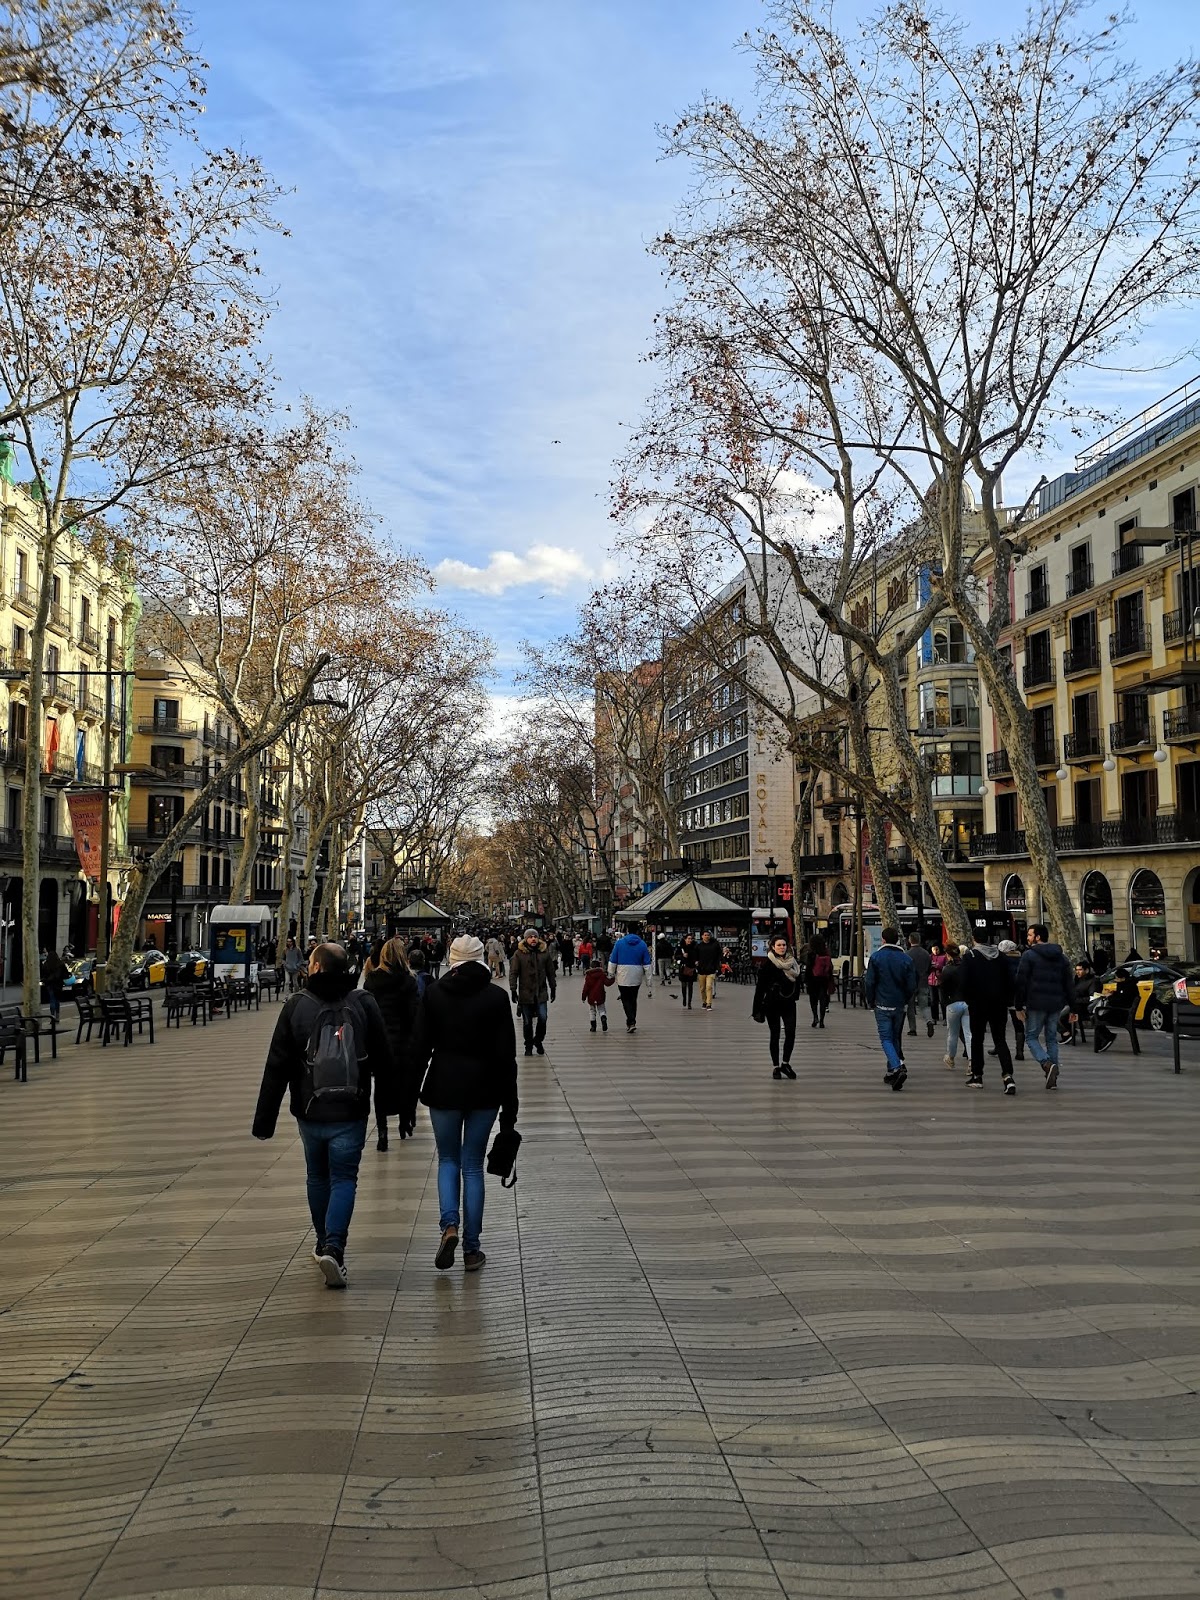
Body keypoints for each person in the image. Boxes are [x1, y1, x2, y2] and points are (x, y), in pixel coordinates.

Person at [252, 942, 395, 1289]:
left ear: (314, 967)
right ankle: (335, 1245)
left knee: (317, 1175)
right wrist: (392, 1105)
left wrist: (264, 1121)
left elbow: (277, 1065)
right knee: (344, 1177)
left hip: (310, 1110)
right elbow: (384, 1057)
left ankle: (321, 1242)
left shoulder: (297, 1006)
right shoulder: (363, 1002)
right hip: (352, 1107)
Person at [409, 933, 518, 1273]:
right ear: (481, 958)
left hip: (444, 1087)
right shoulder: (496, 998)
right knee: (472, 1166)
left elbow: (418, 1049)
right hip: (486, 1090)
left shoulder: (434, 994)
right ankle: (472, 1249)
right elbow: (507, 1058)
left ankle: (449, 1225)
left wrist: (408, 1097)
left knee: (448, 1161)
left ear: (452, 959)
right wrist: (510, 1110)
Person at [363, 936, 421, 1151]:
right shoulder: (409, 981)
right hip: (403, 1040)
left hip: (379, 1041)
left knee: (381, 1086)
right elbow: (414, 1014)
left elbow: (366, 1013)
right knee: (404, 1083)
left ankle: (382, 1132)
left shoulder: (372, 980)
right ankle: (404, 1122)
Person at [1014, 923, 1075, 1090]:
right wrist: (1073, 1007)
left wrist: (1018, 1006)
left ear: (1038, 937)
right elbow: (1069, 984)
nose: (1027, 938)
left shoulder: (1029, 955)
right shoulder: (1062, 957)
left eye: (1029, 935)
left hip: (1036, 1003)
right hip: (1056, 1003)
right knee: (1051, 1039)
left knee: (1031, 1037)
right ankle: (1052, 1077)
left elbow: (1021, 982)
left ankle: (1047, 1064)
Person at [862, 926, 917, 1090]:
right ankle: (891, 1071)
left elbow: (870, 982)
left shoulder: (876, 957)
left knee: (886, 1038)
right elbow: (912, 984)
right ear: (898, 940)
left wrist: (870, 1000)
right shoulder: (906, 959)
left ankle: (896, 1066)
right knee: (895, 1036)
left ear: (883, 940)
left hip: (882, 1003)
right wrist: (905, 999)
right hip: (899, 1004)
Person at [962, 936, 1016, 1092]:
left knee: (977, 1039)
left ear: (974, 939)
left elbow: (964, 981)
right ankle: (1008, 1077)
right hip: (998, 1004)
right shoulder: (1002, 957)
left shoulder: (970, 956)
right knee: (1000, 1040)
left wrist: (968, 999)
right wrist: (1008, 1001)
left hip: (978, 1004)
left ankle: (977, 1076)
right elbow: (1011, 981)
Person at [753, 935, 802, 1078]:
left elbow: (797, 981)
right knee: (775, 1034)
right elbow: (760, 988)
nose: (782, 947)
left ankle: (786, 1063)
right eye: (779, 945)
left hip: (788, 1003)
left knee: (791, 1032)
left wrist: (795, 995)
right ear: (773, 947)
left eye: (784, 945)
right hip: (772, 1004)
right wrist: (756, 1009)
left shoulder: (792, 963)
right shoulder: (768, 964)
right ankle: (776, 1066)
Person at [509, 927, 557, 1055]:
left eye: (535, 936)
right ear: (526, 939)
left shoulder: (544, 952)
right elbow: (513, 973)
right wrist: (513, 989)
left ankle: (538, 1040)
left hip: (541, 992)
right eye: (530, 937)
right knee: (527, 1022)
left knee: (543, 1018)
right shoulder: (519, 954)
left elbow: (550, 972)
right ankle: (528, 1045)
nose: (533, 939)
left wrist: (553, 988)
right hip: (526, 993)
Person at [608, 924, 652, 1033]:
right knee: (633, 998)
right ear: (637, 931)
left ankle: (630, 1021)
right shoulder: (642, 944)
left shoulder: (619, 943)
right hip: (636, 974)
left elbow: (613, 960)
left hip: (623, 974)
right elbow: (647, 964)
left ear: (627, 931)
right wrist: (649, 981)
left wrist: (611, 974)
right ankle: (632, 1021)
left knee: (625, 998)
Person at [940, 943, 971, 1068]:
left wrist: (945, 1003)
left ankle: (951, 1057)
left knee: (952, 1033)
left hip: (953, 1002)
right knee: (968, 1034)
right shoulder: (967, 967)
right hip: (968, 1002)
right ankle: (972, 1061)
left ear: (948, 955)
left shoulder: (947, 969)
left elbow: (943, 989)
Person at [998, 939, 1026, 1059]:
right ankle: (1020, 1051)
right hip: (1018, 996)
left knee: (1000, 1024)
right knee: (1018, 1024)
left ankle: (999, 1047)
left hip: (1003, 996)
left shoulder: (1001, 961)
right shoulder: (1022, 960)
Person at [804, 933, 834, 1028]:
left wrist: (806, 980)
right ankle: (822, 1020)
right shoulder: (826, 952)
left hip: (813, 979)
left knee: (813, 1000)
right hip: (824, 979)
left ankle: (815, 1017)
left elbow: (808, 967)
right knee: (823, 999)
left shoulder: (811, 953)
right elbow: (830, 967)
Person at [906, 934, 933, 1037]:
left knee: (910, 1007)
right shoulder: (926, 954)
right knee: (924, 1005)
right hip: (923, 982)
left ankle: (912, 1029)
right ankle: (929, 1021)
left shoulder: (907, 954)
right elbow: (929, 968)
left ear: (909, 940)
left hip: (911, 984)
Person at [582, 957, 614, 1032]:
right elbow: (607, 983)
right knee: (602, 1009)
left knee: (592, 1011)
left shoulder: (588, 976)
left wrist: (583, 997)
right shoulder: (602, 974)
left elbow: (585, 988)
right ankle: (603, 1018)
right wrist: (612, 979)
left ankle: (593, 1027)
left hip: (591, 997)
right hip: (600, 995)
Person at [695, 930, 721, 1010]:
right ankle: (704, 1001)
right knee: (702, 988)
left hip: (711, 970)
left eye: (708, 935)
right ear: (702, 936)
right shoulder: (698, 946)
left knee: (709, 987)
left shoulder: (714, 945)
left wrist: (717, 967)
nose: (707, 936)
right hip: (701, 970)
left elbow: (718, 955)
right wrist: (696, 962)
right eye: (705, 935)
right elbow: (695, 956)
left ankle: (709, 1004)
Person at [40, 947, 66, 1021]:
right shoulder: (60, 963)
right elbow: (65, 973)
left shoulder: (46, 964)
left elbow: (43, 974)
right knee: (57, 1000)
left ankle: (52, 1016)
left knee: (52, 999)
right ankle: (57, 1015)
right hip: (58, 984)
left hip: (49, 984)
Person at [677, 934, 698, 1009]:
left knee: (690, 986)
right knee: (683, 985)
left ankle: (689, 1002)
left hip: (691, 968)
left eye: (691, 939)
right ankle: (684, 998)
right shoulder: (681, 948)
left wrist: (696, 961)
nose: (690, 940)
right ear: (685, 939)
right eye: (688, 938)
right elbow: (676, 956)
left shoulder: (694, 947)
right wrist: (682, 956)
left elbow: (697, 956)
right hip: (683, 968)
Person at [927, 943, 947, 1023]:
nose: (935, 951)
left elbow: (946, 967)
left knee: (942, 1000)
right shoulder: (929, 957)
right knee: (933, 1000)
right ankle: (934, 1017)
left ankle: (945, 1017)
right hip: (931, 980)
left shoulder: (944, 957)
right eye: (933, 949)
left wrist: (938, 967)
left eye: (937, 949)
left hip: (941, 980)